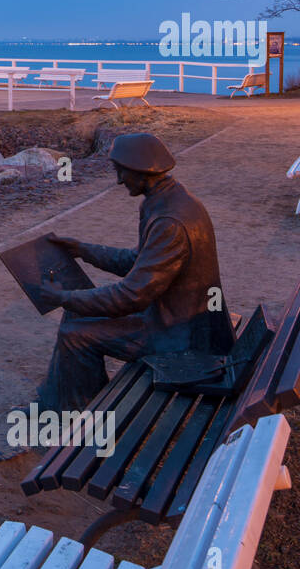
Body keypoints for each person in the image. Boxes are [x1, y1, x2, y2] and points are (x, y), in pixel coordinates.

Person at [35, 132, 232, 412]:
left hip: (181, 336)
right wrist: (83, 250)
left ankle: (78, 419)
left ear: (142, 172)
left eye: (121, 172)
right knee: (78, 311)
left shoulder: (169, 222)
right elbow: (138, 262)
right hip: (177, 318)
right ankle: (55, 403)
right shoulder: (168, 200)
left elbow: (131, 296)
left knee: (75, 335)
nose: (118, 180)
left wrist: (62, 297)